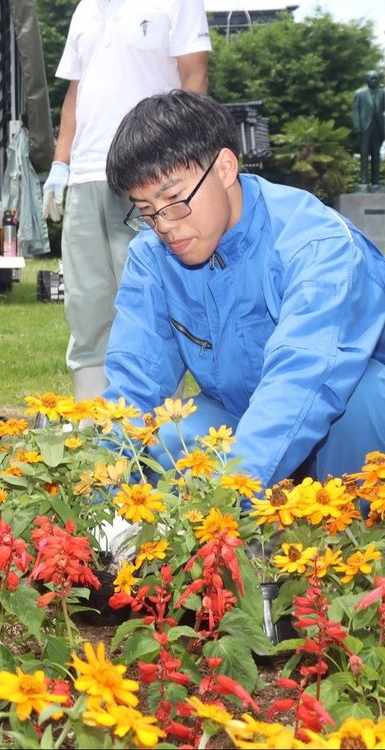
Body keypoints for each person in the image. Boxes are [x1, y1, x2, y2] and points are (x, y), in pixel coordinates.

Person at [103, 90, 385, 488]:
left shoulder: (316, 245)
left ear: (224, 168)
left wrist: (231, 496)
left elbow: (303, 381)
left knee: (367, 399)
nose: (163, 225)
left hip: (335, 420)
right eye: (146, 211)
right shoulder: (152, 257)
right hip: (241, 417)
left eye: (174, 199)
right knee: (169, 436)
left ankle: (350, 519)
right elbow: (133, 383)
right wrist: (102, 493)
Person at [42, 0, 211, 401]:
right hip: (86, 176)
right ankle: (93, 420)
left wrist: (188, 166)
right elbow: (74, 95)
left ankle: (151, 418)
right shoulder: (85, 6)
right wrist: (61, 165)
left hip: (148, 177)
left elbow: (194, 79)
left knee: (148, 297)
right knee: (87, 302)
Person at [352, 70, 385, 187]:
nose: (375, 80)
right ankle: (364, 180)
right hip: (365, 128)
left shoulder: (383, 93)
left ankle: (376, 181)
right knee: (364, 154)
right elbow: (356, 112)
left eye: (376, 78)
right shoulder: (359, 93)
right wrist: (357, 127)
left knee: (376, 154)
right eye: (372, 78)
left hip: (378, 128)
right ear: (367, 80)